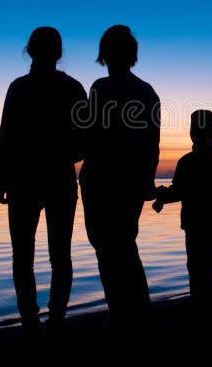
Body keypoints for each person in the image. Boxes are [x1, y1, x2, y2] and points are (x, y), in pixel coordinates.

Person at [0, 27, 87, 337]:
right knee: (60, 255)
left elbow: (6, 135)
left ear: (30, 51)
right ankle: (56, 319)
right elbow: (83, 141)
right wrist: (64, 153)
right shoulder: (73, 88)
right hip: (60, 177)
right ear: (58, 53)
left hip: (23, 178)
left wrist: (2, 177)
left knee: (23, 255)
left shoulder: (18, 88)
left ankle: (30, 321)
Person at [76, 25, 160, 330]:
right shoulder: (148, 92)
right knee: (125, 245)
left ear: (106, 54)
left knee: (106, 247)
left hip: (101, 178)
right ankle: (138, 312)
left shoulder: (101, 88)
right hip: (132, 180)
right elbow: (153, 143)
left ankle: (120, 314)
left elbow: (89, 134)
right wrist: (147, 180)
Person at [152, 109, 212, 316]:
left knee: (196, 265)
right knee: (208, 262)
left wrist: (160, 196)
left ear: (194, 131)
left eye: (193, 127)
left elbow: (179, 191)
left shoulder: (188, 161)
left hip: (197, 222)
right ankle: (210, 302)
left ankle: (201, 305)